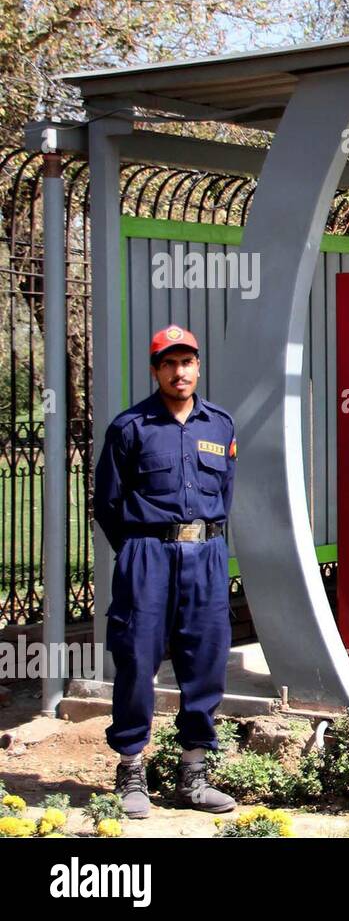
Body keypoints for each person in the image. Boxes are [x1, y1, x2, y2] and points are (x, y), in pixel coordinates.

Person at [93, 325, 238, 818]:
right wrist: (139, 549)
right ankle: (131, 769)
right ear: (156, 370)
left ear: (198, 367)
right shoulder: (129, 428)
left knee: (207, 659)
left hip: (207, 555)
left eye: (187, 362)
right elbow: (108, 504)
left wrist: (203, 543)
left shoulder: (220, 425)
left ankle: (193, 773)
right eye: (169, 363)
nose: (180, 372)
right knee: (136, 656)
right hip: (147, 555)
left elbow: (226, 497)